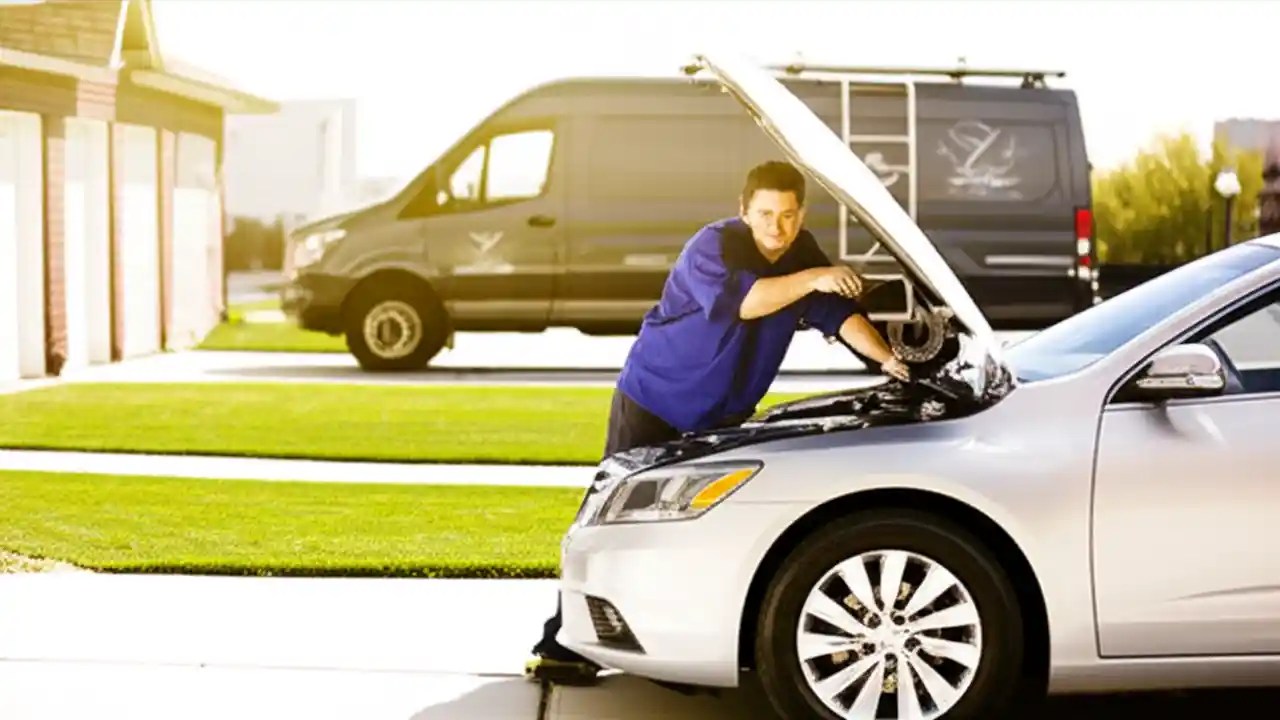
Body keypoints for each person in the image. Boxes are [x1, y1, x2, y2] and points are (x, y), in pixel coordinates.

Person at [524, 160, 910, 684]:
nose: (777, 227)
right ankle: (561, 645)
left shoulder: (801, 254)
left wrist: (888, 361)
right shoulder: (712, 247)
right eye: (766, 214)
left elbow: (838, 315)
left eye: (789, 215)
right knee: (613, 524)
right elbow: (748, 303)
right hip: (653, 401)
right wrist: (817, 276)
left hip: (720, 421)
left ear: (801, 215)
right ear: (744, 210)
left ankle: (668, 644)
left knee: (694, 528)